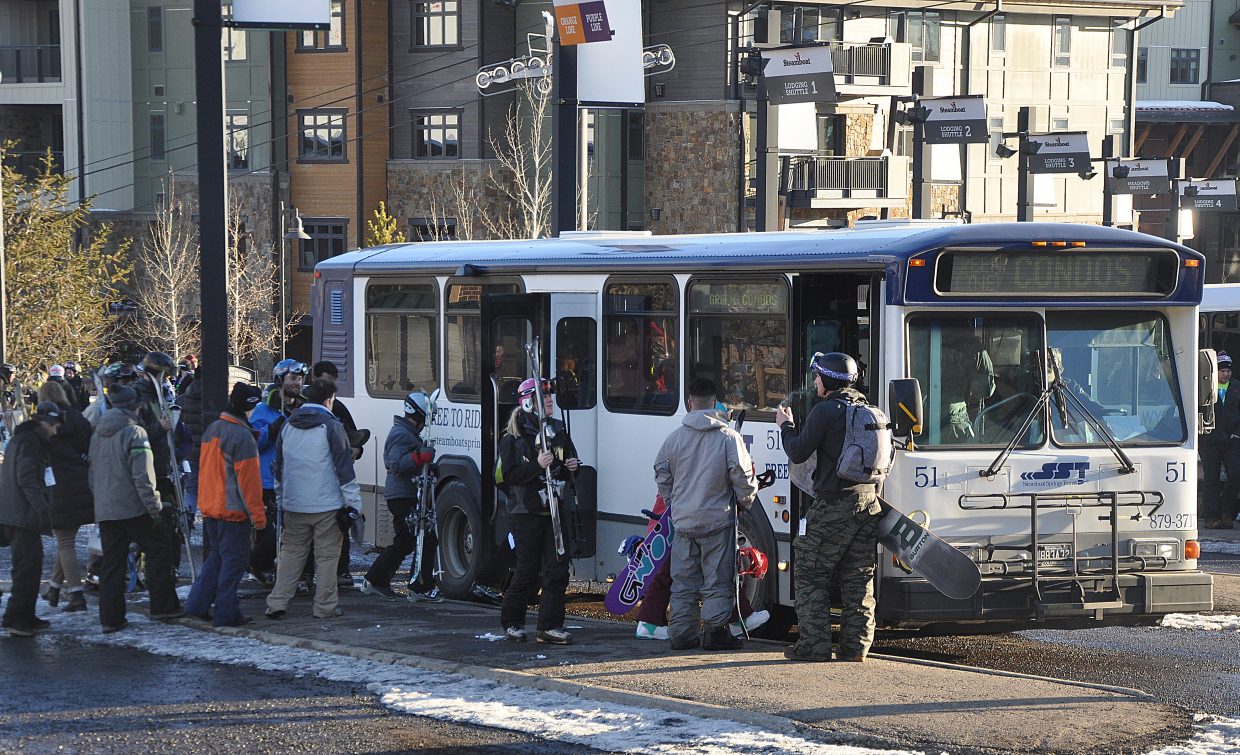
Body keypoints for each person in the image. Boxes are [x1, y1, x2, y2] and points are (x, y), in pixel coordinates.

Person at [775, 352, 882, 662]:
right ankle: (856, 647)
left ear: (827, 380)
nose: (815, 382)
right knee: (858, 577)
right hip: (868, 502)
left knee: (809, 573)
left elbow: (797, 451)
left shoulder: (826, 411)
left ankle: (815, 646)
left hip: (834, 503)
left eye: (818, 377)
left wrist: (786, 425)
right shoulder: (868, 410)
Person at [653, 377, 757, 651]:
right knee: (717, 581)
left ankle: (681, 634)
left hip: (685, 523)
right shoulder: (728, 438)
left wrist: (674, 502)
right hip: (717, 522)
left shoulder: (674, 439)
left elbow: (661, 473)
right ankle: (714, 633)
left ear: (689, 403)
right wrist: (744, 502)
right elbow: (743, 477)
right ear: (714, 404)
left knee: (684, 582)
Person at [265, 379, 362, 620]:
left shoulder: (288, 426)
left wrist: (281, 497)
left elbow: (278, 467)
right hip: (326, 505)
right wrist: (354, 503)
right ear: (329, 400)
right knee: (327, 557)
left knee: (291, 554)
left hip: (294, 504)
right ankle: (325, 606)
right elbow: (344, 468)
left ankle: (277, 602)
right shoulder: (331, 426)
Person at [89, 385, 183, 633]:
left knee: (111, 563)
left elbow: (92, 473)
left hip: (107, 508)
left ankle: (110, 618)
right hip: (134, 507)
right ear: (136, 406)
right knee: (159, 549)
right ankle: (162, 606)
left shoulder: (98, 433)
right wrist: (154, 507)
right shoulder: (136, 432)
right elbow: (143, 477)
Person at [498, 377, 581, 645]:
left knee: (558, 569)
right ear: (527, 402)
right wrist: (536, 464)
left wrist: (571, 465)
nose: (549, 401)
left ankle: (549, 626)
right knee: (527, 569)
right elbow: (505, 477)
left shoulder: (558, 429)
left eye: (550, 397)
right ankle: (512, 622)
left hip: (555, 509)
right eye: (543, 397)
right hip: (526, 512)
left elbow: (568, 459)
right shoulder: (513, 438)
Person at [185, 383, 266, 627]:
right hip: (232, 511)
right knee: (234, 563)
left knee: (216, 559)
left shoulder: (214, 428)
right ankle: (226, 613)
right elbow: (249, 483)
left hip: (211, 508)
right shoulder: (242, 436)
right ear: (249, 407)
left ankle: (197, 605)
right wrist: (259, 518)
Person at [361, 391, 442, 602]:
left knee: (406, 541)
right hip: (403, 495)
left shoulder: (407, 433)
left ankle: (376, 579)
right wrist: (419, 457)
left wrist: (428, 467)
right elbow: (395, 464)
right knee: (424, 539)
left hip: (404, 494)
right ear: (418, 415)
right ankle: (419, 587)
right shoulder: (401, 434)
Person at [0, 402, 62, 636]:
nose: (55, 432)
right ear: (43, 424)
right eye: (53, 426)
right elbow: (27, 479)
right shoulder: (31, 442)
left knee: (27, 566)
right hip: (22, 515)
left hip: (15, 512)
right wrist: (42, 510)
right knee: (28, 567)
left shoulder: (23, 439)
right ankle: (17, 618)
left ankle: (23, 614)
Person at [310, 360, 369, 587]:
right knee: (305, 534)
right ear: (314, 379)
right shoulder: (302, 409)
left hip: (335, 481)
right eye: (325, 382)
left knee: (339, 526)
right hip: (312, 481)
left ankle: (341, 571)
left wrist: (356, 449)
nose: (329, 389)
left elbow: (354, 437)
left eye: (332, 383)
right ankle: (308, 577)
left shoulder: (339, 409)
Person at [36, 381, 93, 613]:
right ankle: (54, 588)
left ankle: (76, 595)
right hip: (82, 484)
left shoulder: (46, 423)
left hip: (58, 485)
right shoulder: (78, 418)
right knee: (66, 539)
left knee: (65, 542)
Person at [248, 359, 305, 584]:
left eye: (300, 379)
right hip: (269, 480)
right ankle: (258, 563)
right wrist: (272, 430)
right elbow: (254, 441)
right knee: (271, 530)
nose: (297, 383)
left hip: (294, 478)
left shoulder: (300, 409)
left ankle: (284, 569)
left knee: (292, 529)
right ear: (280, 379)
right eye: (293, 378)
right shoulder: (263, 410)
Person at [134, 351, 185, 576]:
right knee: (152, 521)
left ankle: (168, 566)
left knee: (171, 520)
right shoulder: (140, 397)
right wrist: (159, 428)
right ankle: (147, 566)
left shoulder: (163, 395)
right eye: (162, 375)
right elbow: (136, 433)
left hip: (165, 466)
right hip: (149, 468)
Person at [1201, 352, 1240, 530]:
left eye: (1228, 371)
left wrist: (1236, 434)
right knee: (1211, 479)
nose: (1226, 374)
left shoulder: (1237, 388)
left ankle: (1227, 513)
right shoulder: (1205, 388)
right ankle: (1211, 516)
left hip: (1231, 440)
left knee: (1235, 474)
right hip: (1210, 441)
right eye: (1222, 370)